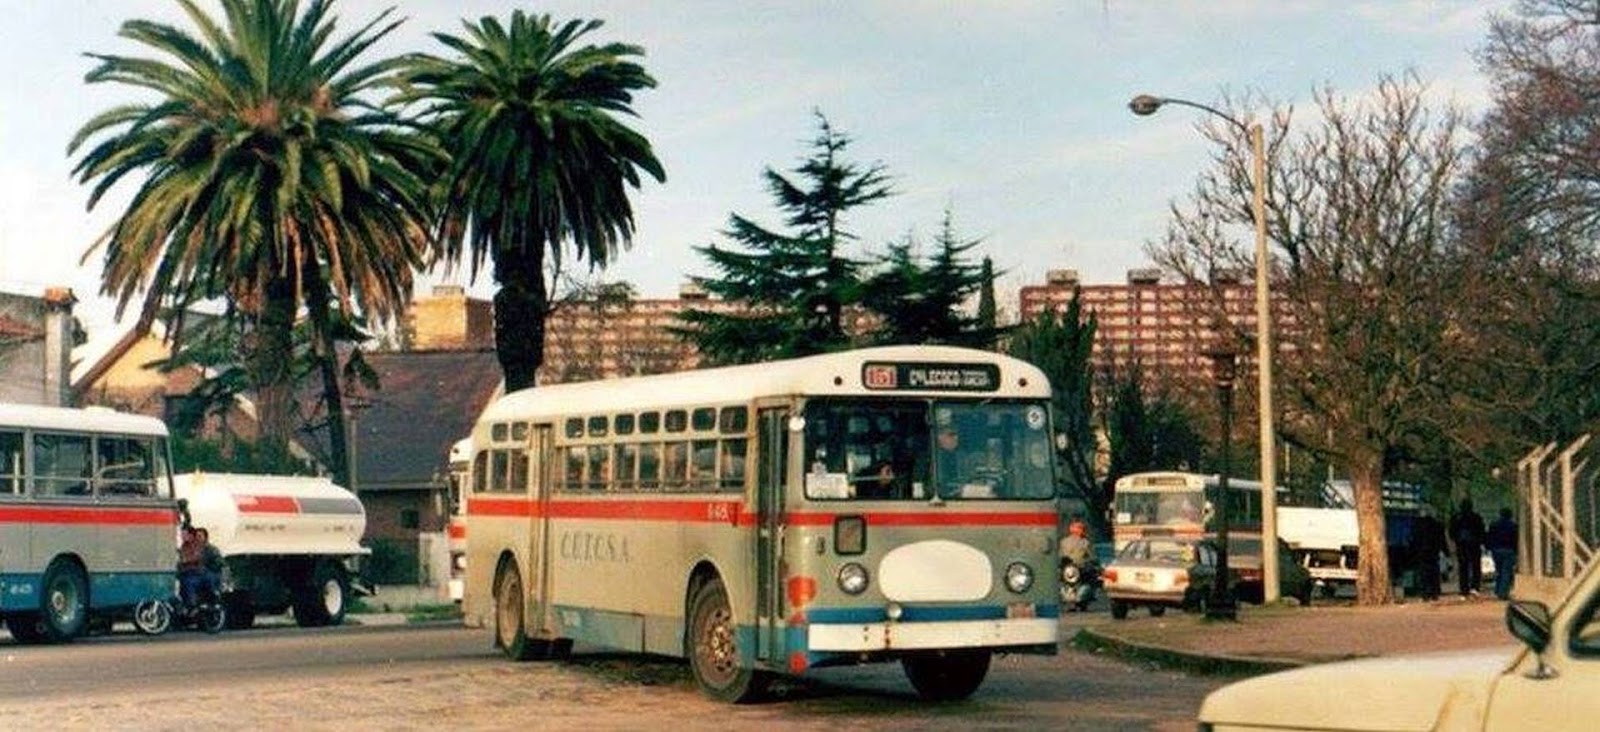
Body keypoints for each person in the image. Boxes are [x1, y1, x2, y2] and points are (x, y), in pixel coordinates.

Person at [1449, 498, 1486, 597]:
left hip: (1461, 545)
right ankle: (1475, 587)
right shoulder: (1476, 517)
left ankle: (1464, 589)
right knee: (1475, 566)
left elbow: (1451, 531)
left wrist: (1456, 540)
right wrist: (1481, 541)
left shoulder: (1456, 517)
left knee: (1463, 567)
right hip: (1474, 545)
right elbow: (1481, 530)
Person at [1411, 505, 1446, 601]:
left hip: (1422, 551)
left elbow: (1414, 538)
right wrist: (1445, 551)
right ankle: (1434, 592)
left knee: (1423, 572)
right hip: (1434, 551)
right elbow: (1441, 539)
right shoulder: (1437, 525)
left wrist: (1413, 550)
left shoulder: (1417, 525)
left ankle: (1425, 593)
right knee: (1434, 571)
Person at [1486, 507, 1518, 600]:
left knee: (1499, 570)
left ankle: (1498, 590)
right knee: (1506, 571)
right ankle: (1503, 593)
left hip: (1496, 550)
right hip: (1509, 550)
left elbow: (1489, 536)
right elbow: (1516, 539)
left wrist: (1489, 547)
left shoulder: (1494, 525)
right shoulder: (1513, 526)